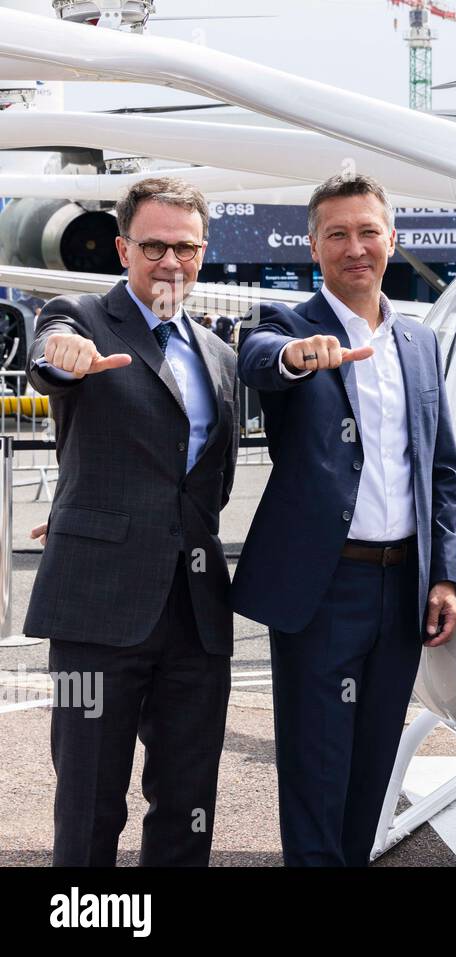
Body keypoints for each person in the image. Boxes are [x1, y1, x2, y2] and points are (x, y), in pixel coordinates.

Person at [232, 174, 456, 867]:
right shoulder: (288, 326)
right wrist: (294, 359)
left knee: (370, 770)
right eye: (337, 234)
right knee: (314, 769)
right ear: (314, 247)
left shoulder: (419, 343)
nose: (355, 247)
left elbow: (441, 471)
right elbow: (257, 360)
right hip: (325, 585)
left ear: (392, 239)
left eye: (368, 231)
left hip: (401, 591)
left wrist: (445, 575)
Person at [24, 177, 239, 866]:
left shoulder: (221, 356)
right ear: (123, 248)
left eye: (185, 246)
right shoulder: (80, 318)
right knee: (89, 804)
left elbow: (209, 483)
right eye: (153, 246)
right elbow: (49, 353)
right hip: (98, 609)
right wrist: (62, 356)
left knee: (187, 803)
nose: (170, 262)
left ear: (204, 251)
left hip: (196, 614)